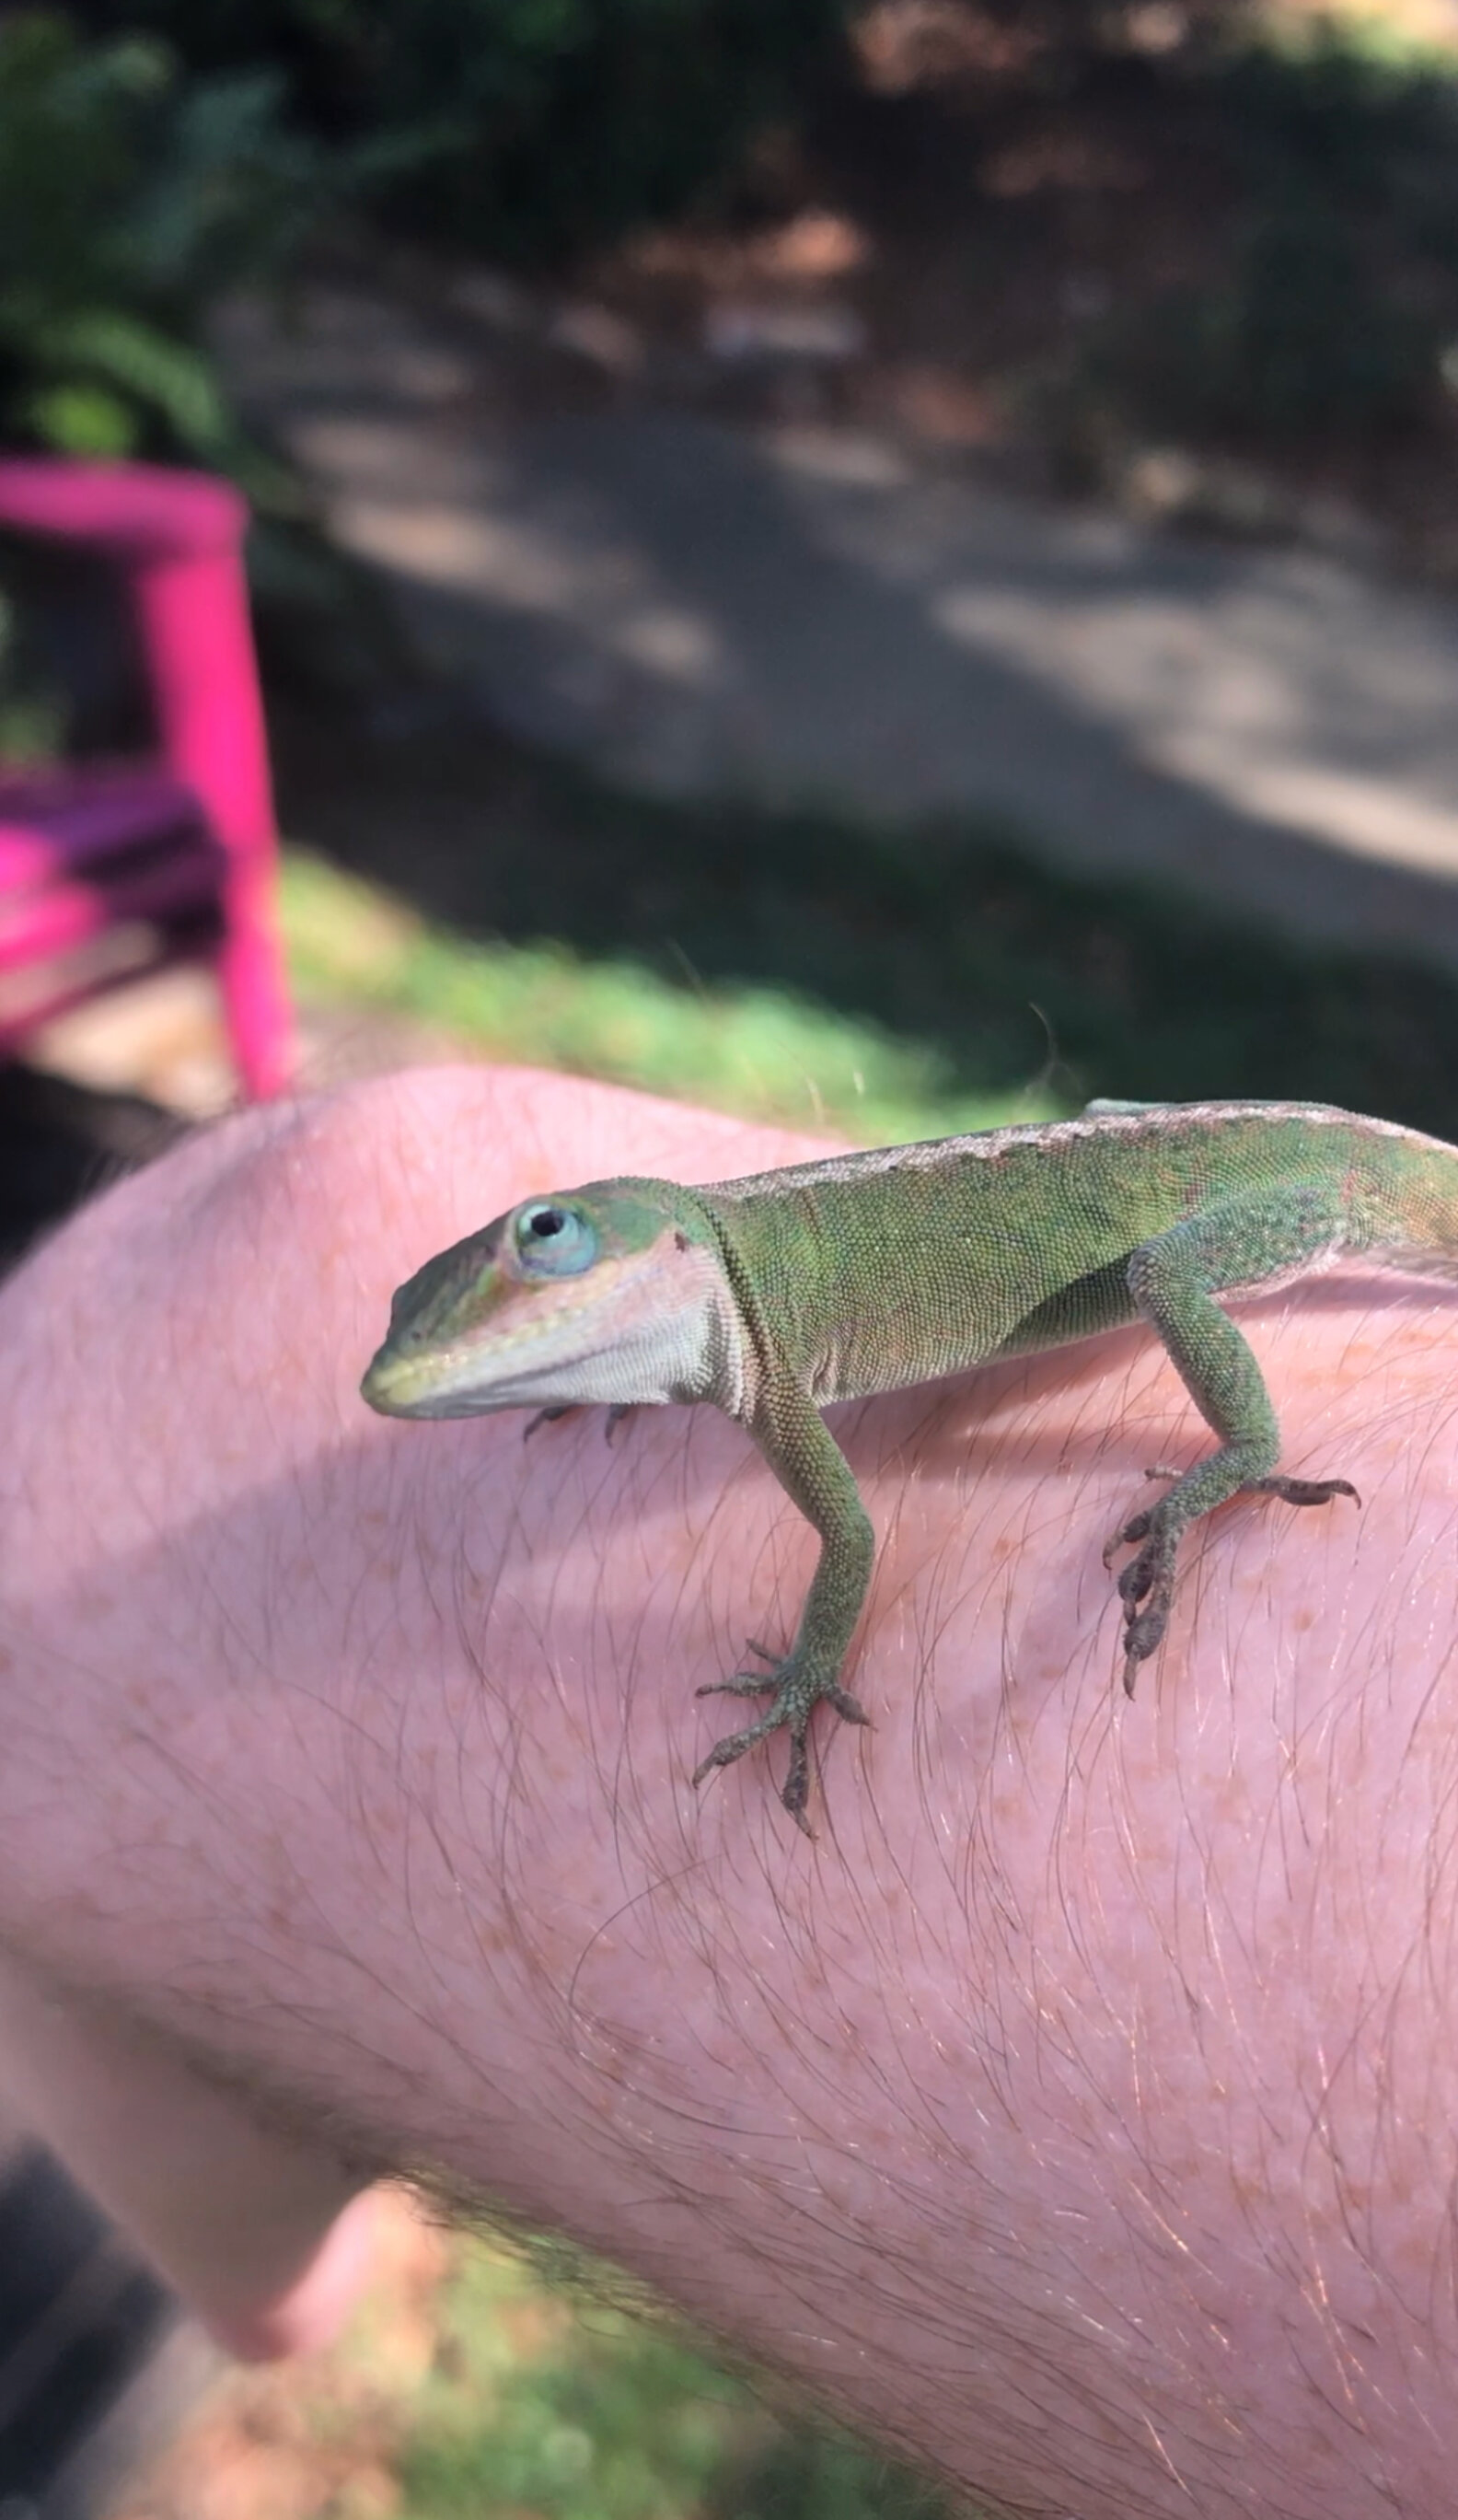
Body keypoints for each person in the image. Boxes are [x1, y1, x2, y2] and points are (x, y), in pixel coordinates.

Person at [0, 1061, 1452, 2520]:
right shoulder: (738, 1319)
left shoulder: (759, 1315)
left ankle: (1246, 1447)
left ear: (678, 1247)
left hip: (1307, 1184)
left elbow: (852, 1547)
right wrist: (595, 1357)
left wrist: (811, 1668)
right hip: (1231, 1149)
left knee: (1161, 1265)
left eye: (552, 1242)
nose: (539, 1276)